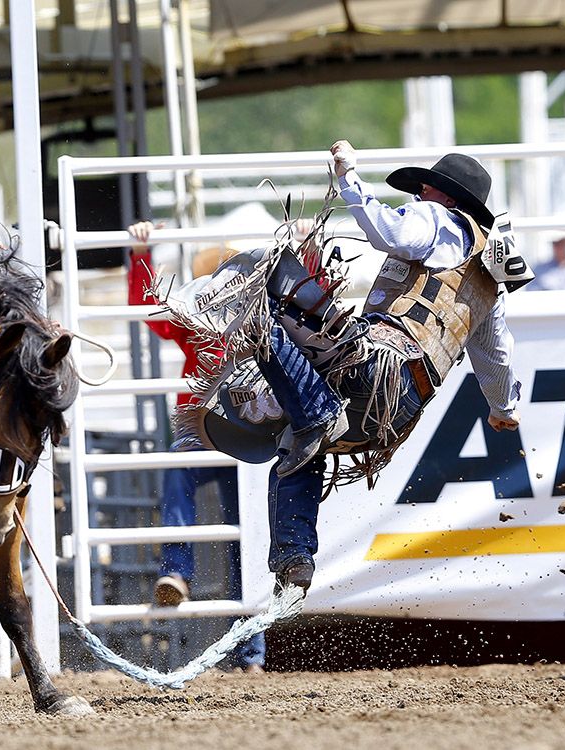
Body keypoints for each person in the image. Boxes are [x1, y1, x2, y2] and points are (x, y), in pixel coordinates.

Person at [157, 142, 529, 595]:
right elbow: (495, 353)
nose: (419, 195)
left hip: (374, 368)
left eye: (427, 188)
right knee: (302, 442)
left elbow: (393, 234)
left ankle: (290, 409)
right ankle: (295, 559)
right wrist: (503, 408)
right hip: (398, 408)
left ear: (447, 197)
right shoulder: (488, 275)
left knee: (264, 311)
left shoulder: (433, 219)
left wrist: (349, 178)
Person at [127, 221, 266, 672]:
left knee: (243, 536)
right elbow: (150, 310)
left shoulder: (254, 319)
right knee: (234, 525)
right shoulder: (198, 321)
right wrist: (141, 254)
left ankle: (247, 647)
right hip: (226, 430)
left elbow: (150, 311)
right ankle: (179, 573)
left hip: (235, 430)